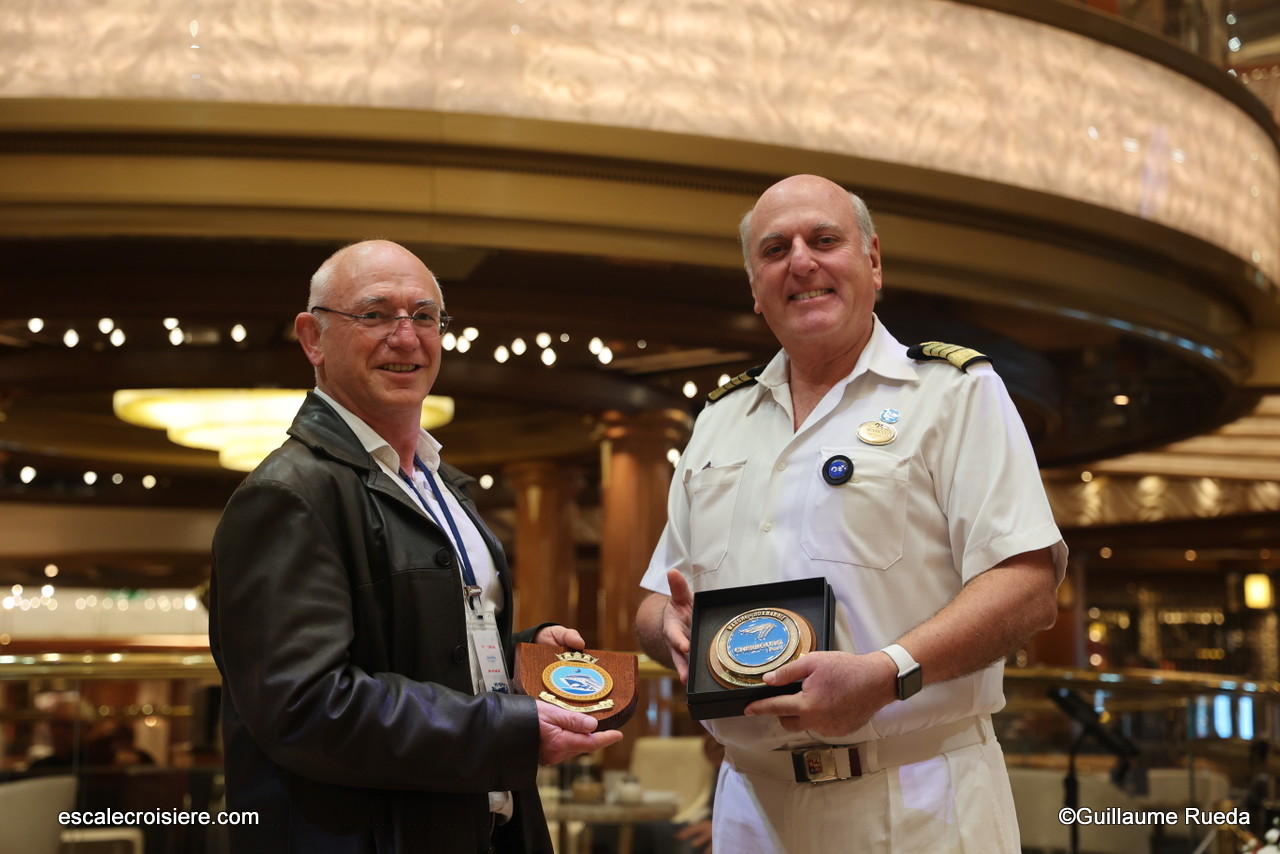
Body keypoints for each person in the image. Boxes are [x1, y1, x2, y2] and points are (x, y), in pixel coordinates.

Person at [635, 175, 1066, 853]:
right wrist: (673, 632)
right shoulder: (719, 421)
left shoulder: (954, 394)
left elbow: (1029, 585)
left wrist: (887, 671)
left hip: (916, 799)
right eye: (775, 250)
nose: (801, 261)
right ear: (755, 287)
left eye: (824, 240)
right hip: (751, 806)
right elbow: (658, 599)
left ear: (872, 261)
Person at [210, 240, 622, 853]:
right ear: (312, 337)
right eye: (374, 314)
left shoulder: (439, 482)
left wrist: (519, 660)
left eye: (424, 316)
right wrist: (506, 727)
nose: (406, 337)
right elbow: (306, 705)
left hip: (480, 826)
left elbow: (417, 649)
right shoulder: (288, 493)